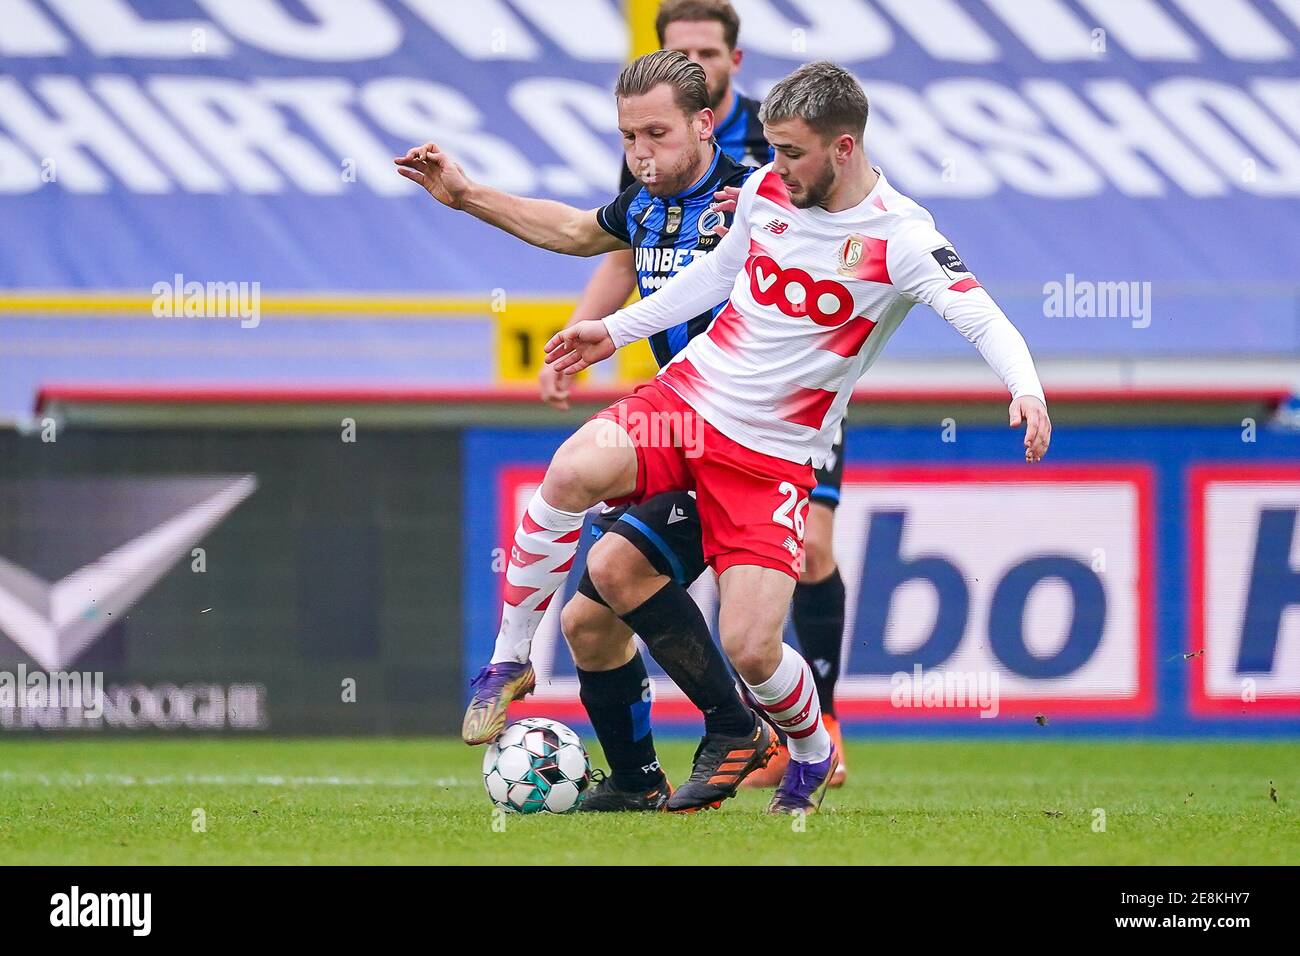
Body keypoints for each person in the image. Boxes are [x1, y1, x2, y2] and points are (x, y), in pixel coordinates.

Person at [542, 60, 1052, 813]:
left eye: (791, 152)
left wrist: (1026, 388)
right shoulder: (764, 193)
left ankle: (808, 750)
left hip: (778, 461)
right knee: (605, 575)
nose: (774, 166)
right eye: (773, 149)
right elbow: (715, 275)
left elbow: (979, 313)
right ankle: (659, 767)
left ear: (844, 148)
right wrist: (614, 331)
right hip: (699, 422)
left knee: (752, 645)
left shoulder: (900, 237)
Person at [398, 51, 786, 813]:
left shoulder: (758, 195)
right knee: (587, 623)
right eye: (628, 136)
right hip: (681, 429)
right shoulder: (642, 204)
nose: (641, 152)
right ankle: (640, 783)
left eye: (657, 133)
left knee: (620, 566)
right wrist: (468, 194)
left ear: (706, 124)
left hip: (748, 441)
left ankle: (742, 728)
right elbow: (576, 230)